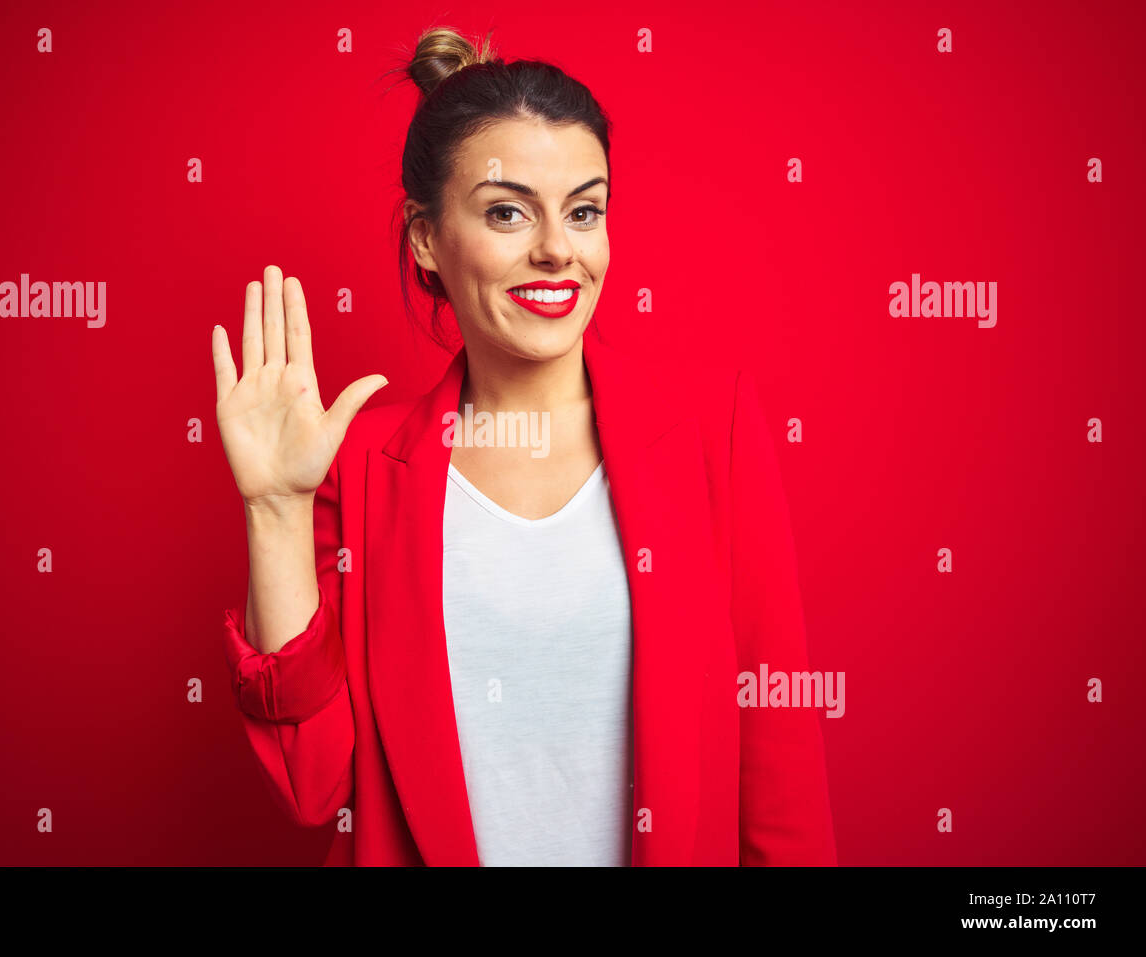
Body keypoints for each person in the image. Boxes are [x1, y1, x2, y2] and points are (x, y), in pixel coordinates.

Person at [210, 26, 837, 866]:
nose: (556, 248)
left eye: (584, 210)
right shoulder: (356, 464)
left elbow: (778, 762)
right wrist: (274, 510)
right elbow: (311, 786)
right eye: (507, 211)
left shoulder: (708, 429)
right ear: (426, 236)